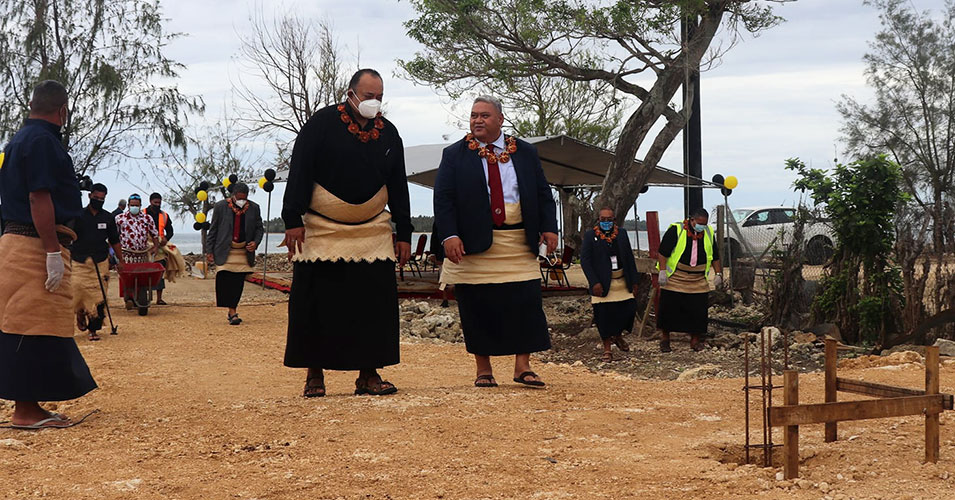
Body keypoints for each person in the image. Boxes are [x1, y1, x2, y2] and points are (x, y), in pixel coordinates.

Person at [282, 68, 412, 398]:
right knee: (317, 303)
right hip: (322, 230)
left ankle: (368, 374)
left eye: (379, 97)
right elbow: (300, 169)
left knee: (373, 305)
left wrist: (404, 232)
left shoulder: (389, 133)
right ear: (351, 93)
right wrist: (292, 218)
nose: (374, 102)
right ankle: (314, 373)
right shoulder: (321, 124)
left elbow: (398, 184)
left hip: (373, 233)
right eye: (369, 96)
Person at [434, 95, 558, 388]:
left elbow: (543, 193)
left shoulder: (525, 152)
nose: (477, 120)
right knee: (477, 306)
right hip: (473, 242)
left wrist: (549, 228)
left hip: (518, 241)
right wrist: (449, 235)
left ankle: (523, 366)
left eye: (484, 115)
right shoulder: (454, 154)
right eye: (474, 115)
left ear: (500, 119)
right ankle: (483, 369)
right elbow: (444, 198)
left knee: (526, 302)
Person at [0, 80, 97, 429]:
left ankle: (30, 406)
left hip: (18, 241)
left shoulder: (18, 141)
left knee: (28, 322)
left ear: (31, 105)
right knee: (33, 325)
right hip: (35, 244)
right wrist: (52, 250)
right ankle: (26, 411)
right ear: (63, 111)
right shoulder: (42, 141)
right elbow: (38, 197)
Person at [656, 207, 723, 352]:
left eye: (704, 224)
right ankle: (665, 339)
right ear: (692, 220)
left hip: (698, 278)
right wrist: (662, 271)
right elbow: (662, 252)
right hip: (676, 276)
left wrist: (718, 274)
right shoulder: (676, 230)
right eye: (699, 223)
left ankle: (695, 340)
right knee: (668, 308)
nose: (702, 226)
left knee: (698, 310)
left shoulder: (708, 232)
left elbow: (715, 256)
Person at [580, 207, 639, 362]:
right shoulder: (590, 236)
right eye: (603, 219)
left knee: (629, 309)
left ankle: (618, 335)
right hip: (601, 283)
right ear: (598, 220)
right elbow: (585, 261)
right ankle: (607, 349)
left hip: (621, 281)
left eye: (609, 219)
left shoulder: (622, 234)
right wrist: (594, 282)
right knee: (603, 316)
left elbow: (629, 258)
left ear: (614, 220)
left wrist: (634, 281)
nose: (606, 222)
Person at [70, 183, 125, 341]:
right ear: (89, 196)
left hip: (100, 261)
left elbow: (114, 241)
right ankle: (80, 313)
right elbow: (68, 236)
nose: (99, 201)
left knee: (98, 295)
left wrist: (120, 260)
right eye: (96, 198)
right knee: (77, 291)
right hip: (79, 261)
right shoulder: (78, 216)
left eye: (102, 199)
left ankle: (93, 329)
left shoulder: (108, 218)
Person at [206, 183, 264, 325]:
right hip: (224, 249)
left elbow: (259, 229)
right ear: (233, 196)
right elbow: (213, 229)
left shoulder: (254, 208)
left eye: (244, 198)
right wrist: (209, 250)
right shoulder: (220, 207)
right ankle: (230, 308)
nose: (241, 201)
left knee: (238, 282)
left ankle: (233, 311)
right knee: (225, 278)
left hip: (243, 251)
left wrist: (255, 243)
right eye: (239, 198)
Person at [114, 193, 160, 309]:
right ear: (128, 205)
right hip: (126, 254)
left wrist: (156, 247)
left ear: (140, 205)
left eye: (137, 205)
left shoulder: (147, 218)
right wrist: (113, 251)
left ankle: (141, 297)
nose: (134, 207)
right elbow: (113, 236)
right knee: (127, 277)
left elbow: (154, 234)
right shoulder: (120, 219)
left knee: (142, 278)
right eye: (132, 205)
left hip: (142, 254)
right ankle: (128, 297)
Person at [146, 193, 173, 305]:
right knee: (144, 272)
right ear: (150, 201)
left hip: (160, 246)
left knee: (160, 271)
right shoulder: (142, 214)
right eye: (155, 202)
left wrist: (166, 238)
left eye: (159, 203)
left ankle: (159, 298)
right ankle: (143, 296)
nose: (157, 204)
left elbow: (170, 231)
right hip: (145, 246)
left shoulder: (165, 216)